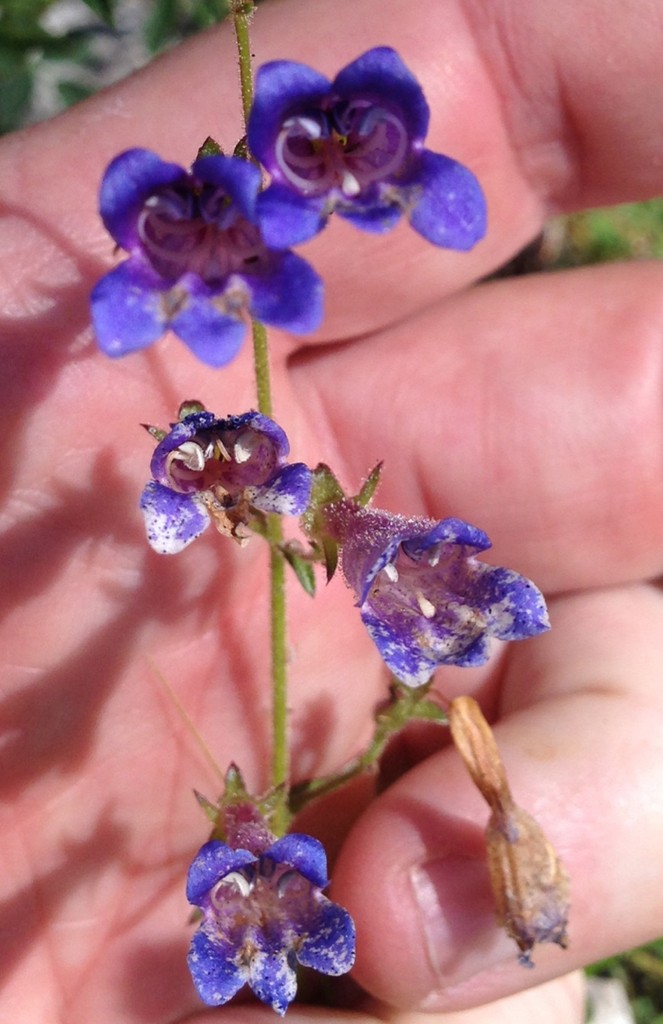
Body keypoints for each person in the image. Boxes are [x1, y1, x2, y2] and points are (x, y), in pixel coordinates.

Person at [1, 0, 662, 1021]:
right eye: (190, 226)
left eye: (228, 217)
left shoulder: (282, 235)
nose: (344, 165)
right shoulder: (260, 245)